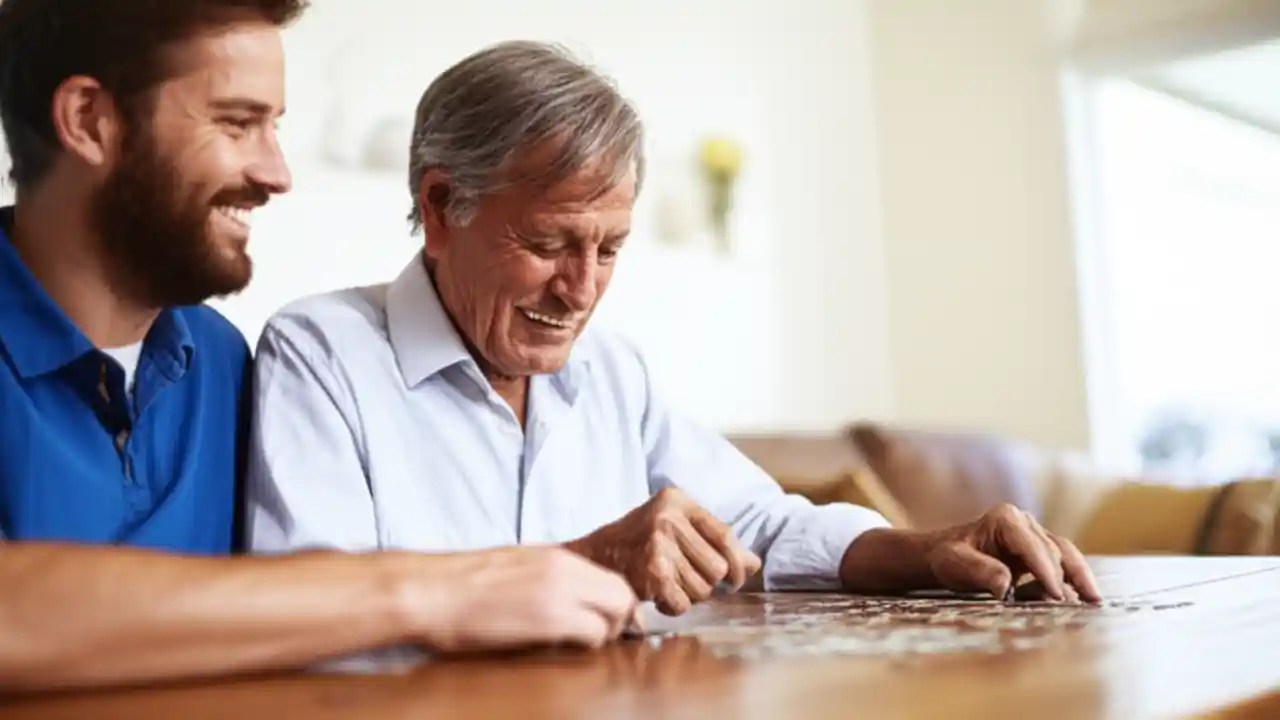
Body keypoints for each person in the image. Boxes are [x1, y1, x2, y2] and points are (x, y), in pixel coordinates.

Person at [246, 41, 1102, 616]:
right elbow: (314, 607)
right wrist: (587, 561)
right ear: (440, 207)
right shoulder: (321, 354)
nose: (581, 289)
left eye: (609, 248)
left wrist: (928, 548)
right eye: (547, 243)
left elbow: (759, 527)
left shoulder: (614, 374)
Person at [0, 2, 636, 692]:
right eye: (237, 123)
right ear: (90, 120)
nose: (277, 173)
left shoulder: (218, 362)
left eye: (275, 127)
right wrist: (444, 592)